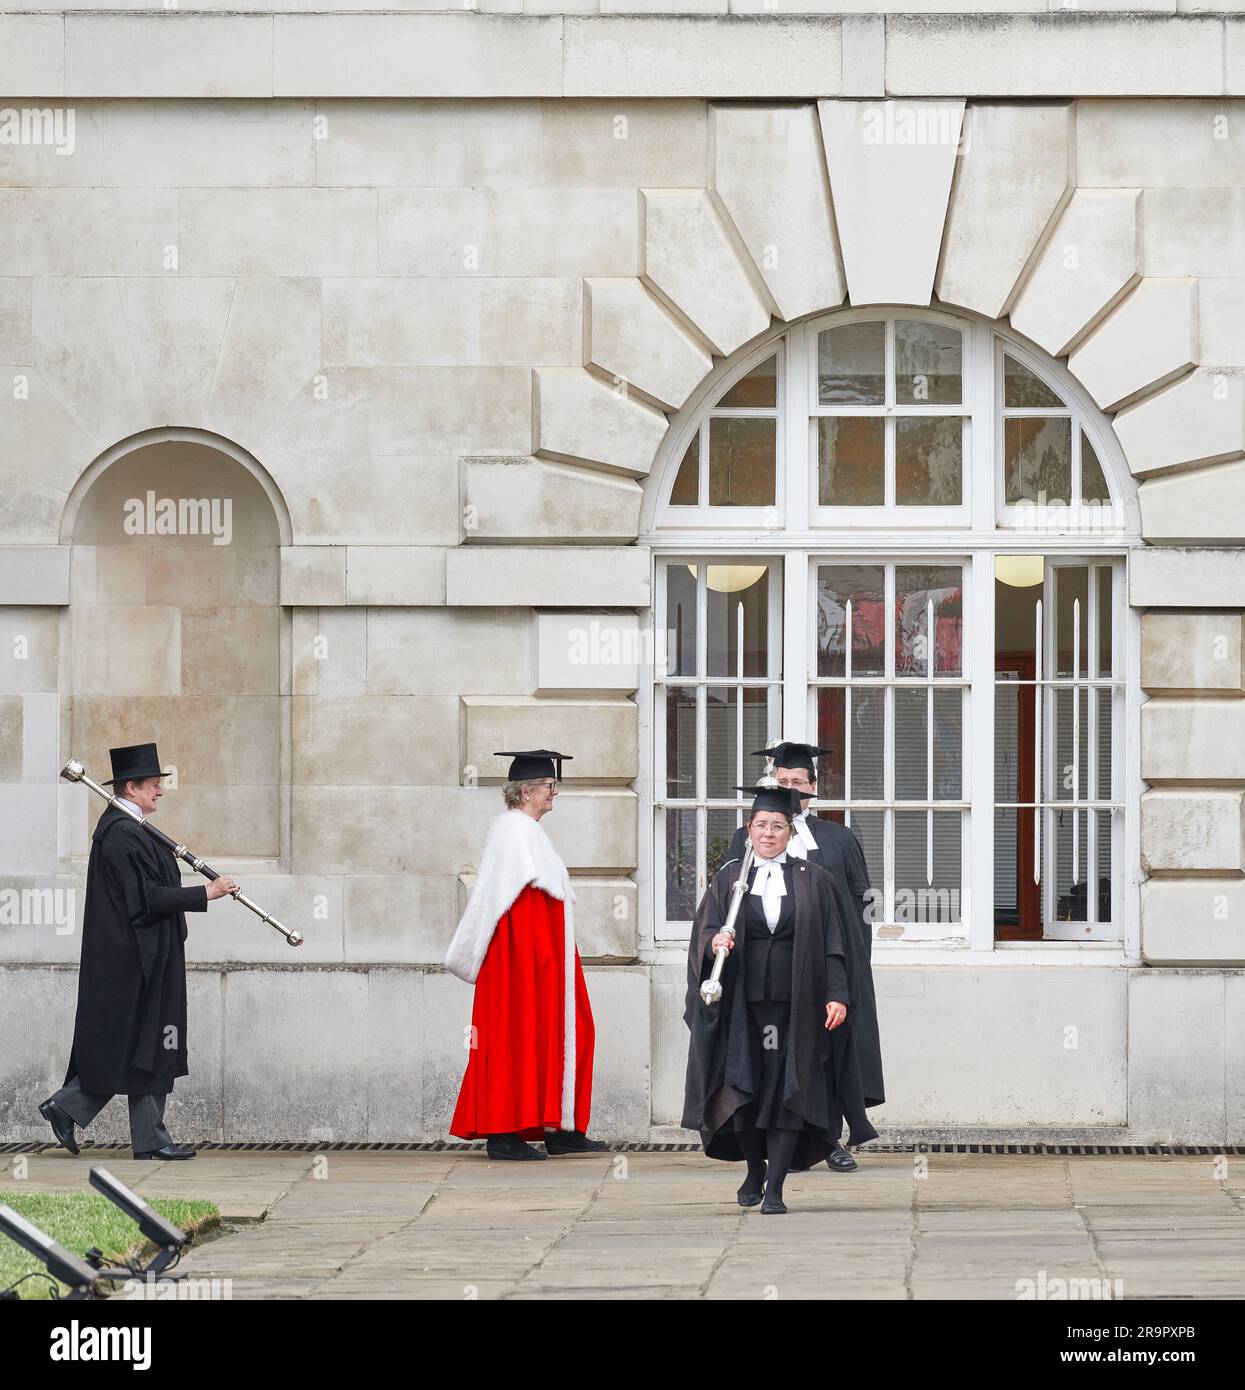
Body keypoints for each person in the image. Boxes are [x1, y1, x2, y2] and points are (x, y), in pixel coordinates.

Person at [682, 784, 878, 1214]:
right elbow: (705, 932)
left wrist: (838, 995)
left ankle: (775, 1189)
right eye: (760, 826)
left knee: (791, 1092)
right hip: (744, 1009)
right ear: (748, 830)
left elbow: (834, 944)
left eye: (777, 826)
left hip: (799, 1007)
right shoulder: (730, 879)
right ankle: (754, 1168)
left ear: (791, 832)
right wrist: (716, 941)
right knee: (745, 1093)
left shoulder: (815, 881)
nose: (768, 833)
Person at [39, 743, 240, 1160]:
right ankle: (141, 1136)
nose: (159, 792)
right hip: (135, 960)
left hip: (150, 954)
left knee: (143, 1045)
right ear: (131, 788)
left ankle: (77, 1111)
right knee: (144, 1043)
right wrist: (208, 892)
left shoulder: (133, 829)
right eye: (152, 785)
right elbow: (146, 899)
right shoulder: (122, 835)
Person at [722, 741, 885, 1172]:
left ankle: (829, 1139)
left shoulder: (839, 837)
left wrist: (852, 966)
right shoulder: (748, 837)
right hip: (769, 971)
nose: (791, 789)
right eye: (783, 782)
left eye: (798, 782)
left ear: (814, 788)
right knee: (772, 1055)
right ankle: (771, 1144)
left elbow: (862, 903)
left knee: (824, 1053)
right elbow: (727, 902)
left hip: (822, 965)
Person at [445, 749, 608, 1161]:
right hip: (520, 961)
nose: (554, 793)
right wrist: (534, 961)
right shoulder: (514, 831)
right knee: (514, 1037)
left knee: (573, 1031)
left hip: (544, 958)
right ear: (526, 791)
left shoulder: (526, 830)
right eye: (549, 787)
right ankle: (504, 1134)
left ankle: (560, 1126)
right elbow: (504, 905)